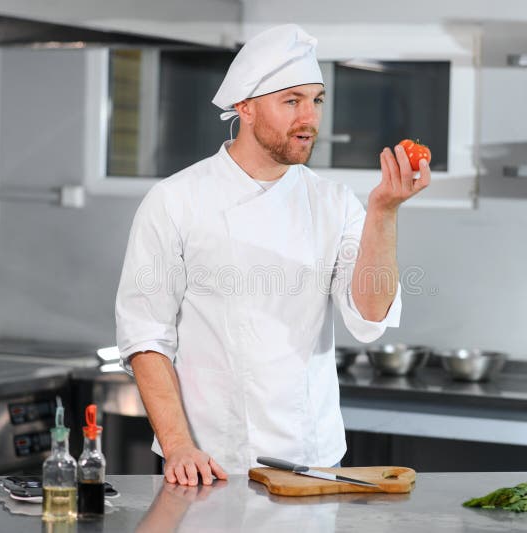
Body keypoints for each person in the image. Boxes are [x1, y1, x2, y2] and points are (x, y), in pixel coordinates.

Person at [115, 24, 430, 487]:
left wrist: (383, 211)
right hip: (208, 462)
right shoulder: (175, 200)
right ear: (245, 107)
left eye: (316, 100)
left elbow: (368, 315)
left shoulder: (335, 202)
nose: (310, 118)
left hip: (312, 461)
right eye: (292, 101)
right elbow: (146, 336)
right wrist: (178, 445)